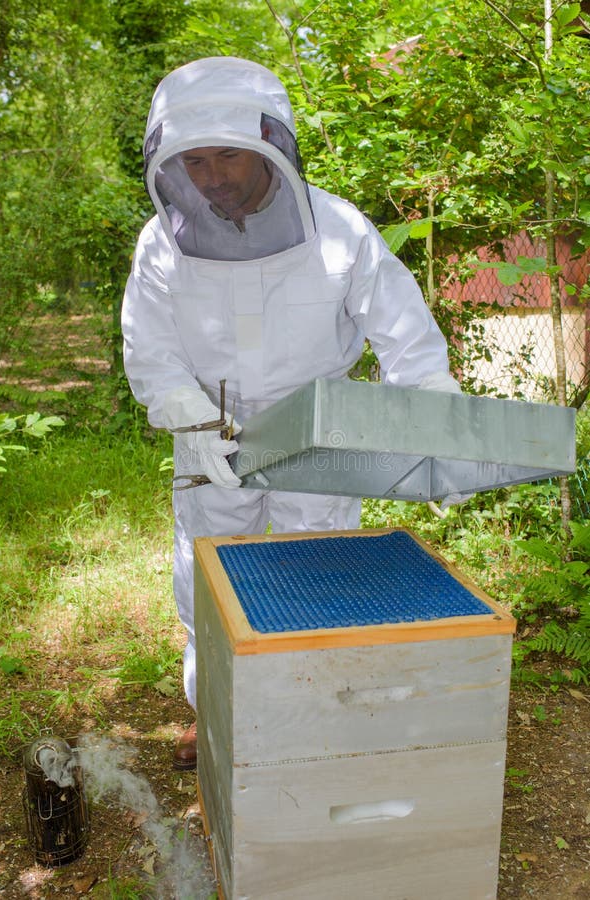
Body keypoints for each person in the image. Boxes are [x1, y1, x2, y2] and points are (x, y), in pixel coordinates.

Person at [121, 56, 461, 770]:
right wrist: (183, 409)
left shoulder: (338, 229)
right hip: (210, 429)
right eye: (197, 160)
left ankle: (309, 715)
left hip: (318, 424)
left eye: (228, 156)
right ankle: (213, 707)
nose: (212, 176)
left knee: (320, 569)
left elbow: (408, 340)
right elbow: (149, 347)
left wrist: (440, 431)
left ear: (269, 144)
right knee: (209, 573)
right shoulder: (162, 243)